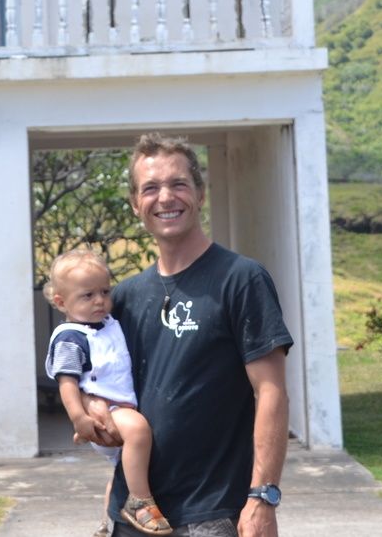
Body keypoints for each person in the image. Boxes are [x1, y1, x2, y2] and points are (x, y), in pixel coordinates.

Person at [93, 134, 293, 537]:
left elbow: (271, 392)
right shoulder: (126, 297)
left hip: (213, 513)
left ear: (200, 194)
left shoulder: (241, 280)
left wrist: (262, 496)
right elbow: (113, 386)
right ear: (136, 204)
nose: (165, 197)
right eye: (150, 188)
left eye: (178, 184)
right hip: (136, 514)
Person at [43, 248, 171, 536]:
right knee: (138, 431)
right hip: (106, 411)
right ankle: (139, 502)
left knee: (121, 471)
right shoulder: (71, 338)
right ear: (61, 302)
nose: (100, 300)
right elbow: (67, 382)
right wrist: (79, 418)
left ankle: (107, 522)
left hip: (120, 406)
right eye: (87, 295)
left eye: (104, 291)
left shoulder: (107, 325)